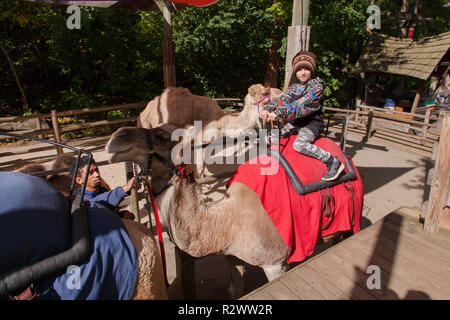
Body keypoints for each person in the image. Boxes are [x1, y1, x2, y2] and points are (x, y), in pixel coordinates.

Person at [260, 50, 345, 181]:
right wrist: (267, 108)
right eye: (300, 69)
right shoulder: (294, 87)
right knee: (267, 137)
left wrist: (277, 113)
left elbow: (301, 104)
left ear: (312, 70)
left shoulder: (317, 86)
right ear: (295, 71)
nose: (303, 72)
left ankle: (333, 162)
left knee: (299, 145)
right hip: (296, 123)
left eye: (306, 68)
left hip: (312, 123)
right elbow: (282, 99)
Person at [70, 155, 138, 219]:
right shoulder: (80, 201)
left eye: (96, 170)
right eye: (91, 173)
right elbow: (98, 202)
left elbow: (107, 210)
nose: (97, 174)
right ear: (79, 180)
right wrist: (124, 189)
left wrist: (122, 215)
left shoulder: (102, 190)